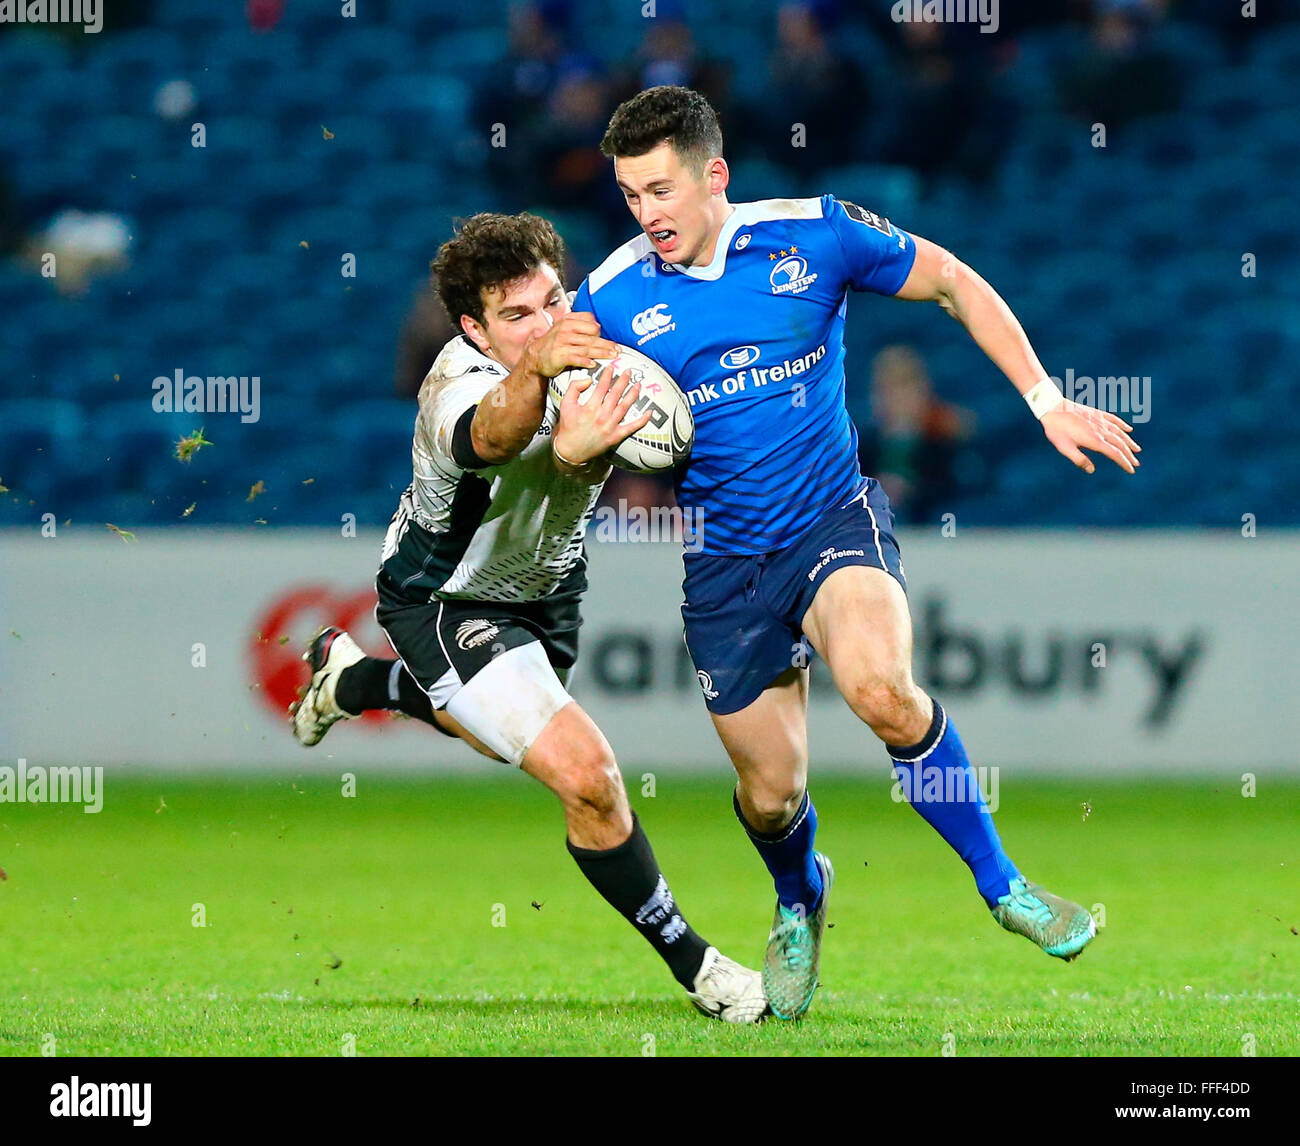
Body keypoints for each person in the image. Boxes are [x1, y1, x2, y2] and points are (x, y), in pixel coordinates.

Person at [571, 86, 1141, 1020]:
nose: (648, 214)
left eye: (662, 190)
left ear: (715, 175)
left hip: (834, 521)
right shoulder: (612, 297)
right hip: (723, 564)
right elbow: (560, 404)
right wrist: (578, 440)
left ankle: (1004, 887)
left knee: (881, 688)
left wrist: (1045, 399)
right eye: (631, 195)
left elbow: (954, 280)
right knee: (768, 795)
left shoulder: (816, 236)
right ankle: (800, 898)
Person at [290, 211, 767, 1023]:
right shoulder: (457, 387)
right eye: (517, 316)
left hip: (549, 595)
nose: (546, 325)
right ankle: (703, 970)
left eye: (554, 300)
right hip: (448, 598)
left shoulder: (602, 343)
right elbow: (495, 434)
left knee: (476, 730)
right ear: (475, 327)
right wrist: (552, 398)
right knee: (589, 779)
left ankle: (355, 679)